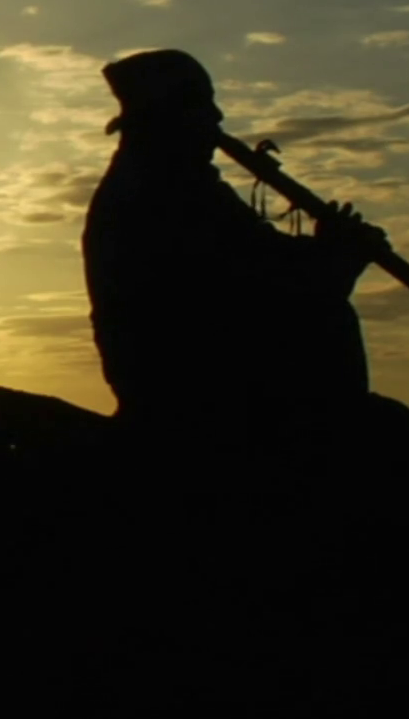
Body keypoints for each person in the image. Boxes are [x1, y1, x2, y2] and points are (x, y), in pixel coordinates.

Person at [81, 50, 387, 437]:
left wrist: (328, 248)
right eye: (200, 104)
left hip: (209, 389)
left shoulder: (174, 184)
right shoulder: (163, 194)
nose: (216, 116)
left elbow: (265, 260)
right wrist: (337, 256)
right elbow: (274, 288)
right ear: (167, 118)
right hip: (204, 398)